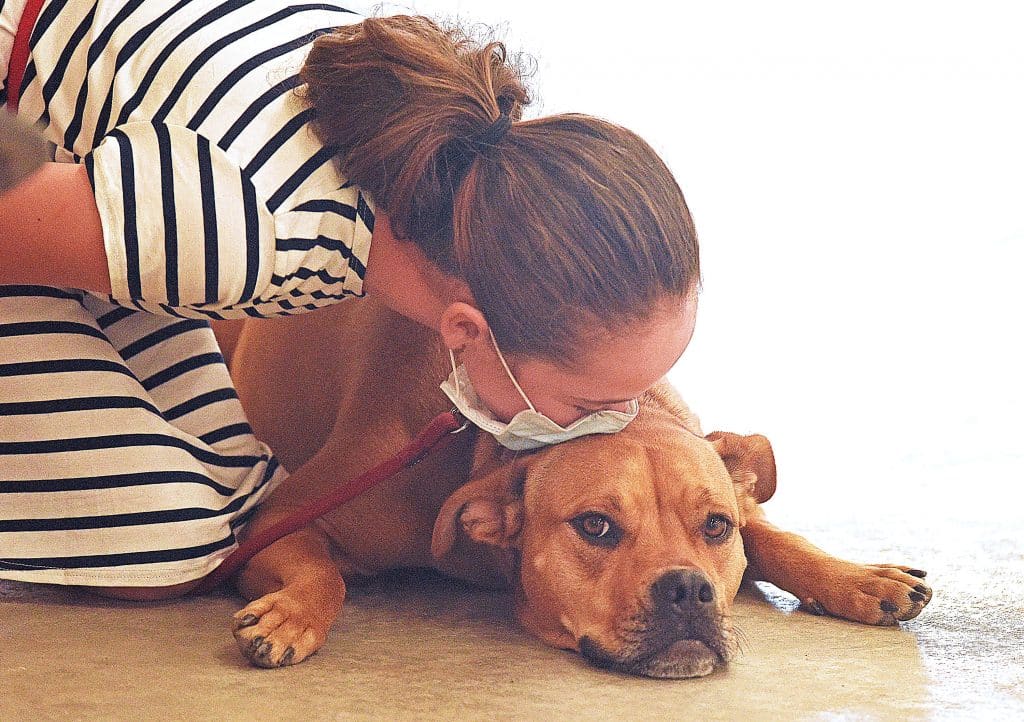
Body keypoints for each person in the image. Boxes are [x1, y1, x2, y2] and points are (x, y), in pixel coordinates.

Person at [0, 3, 700, 597]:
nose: (622, 420)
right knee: (161, 547)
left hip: (111, 169)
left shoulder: (453, 157)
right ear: (465, 330)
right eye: (586, 406)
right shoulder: (254, 230)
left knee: (230, 486)